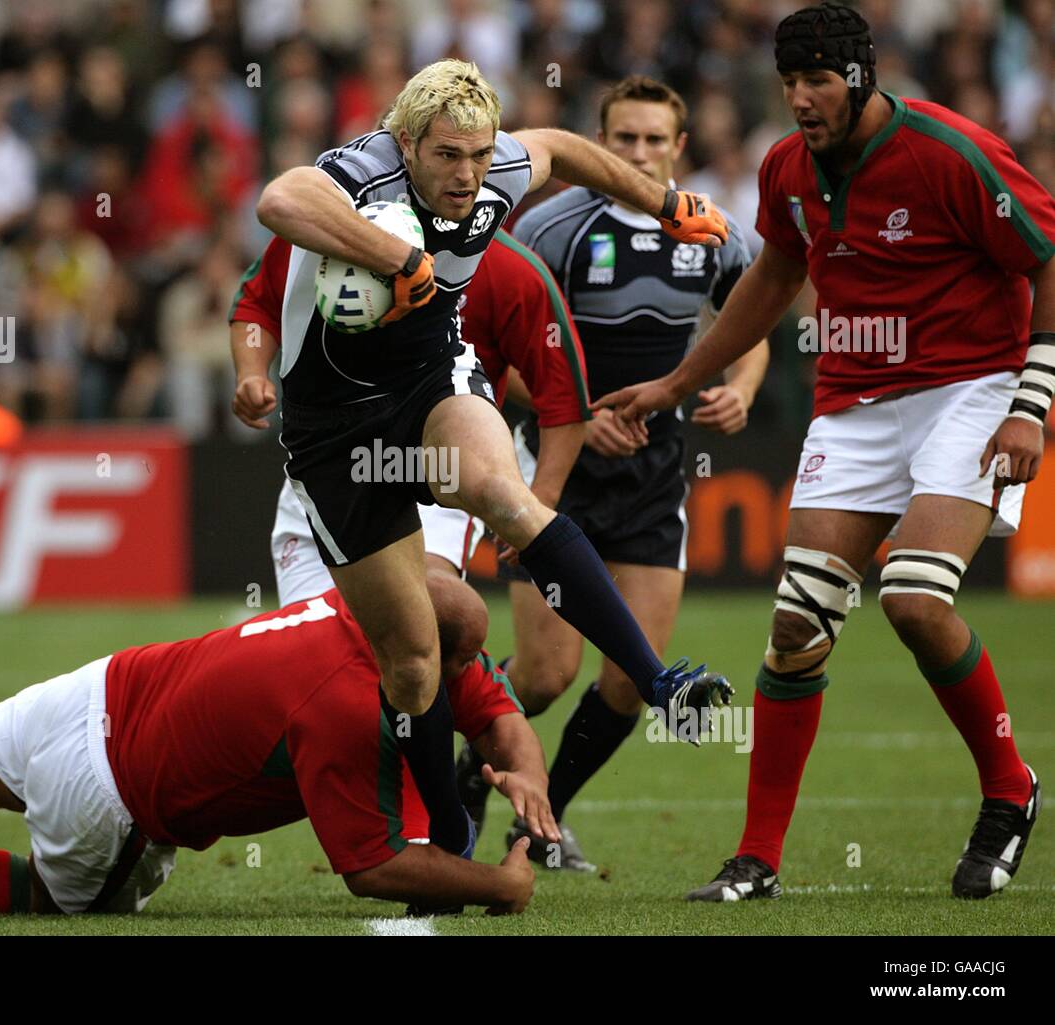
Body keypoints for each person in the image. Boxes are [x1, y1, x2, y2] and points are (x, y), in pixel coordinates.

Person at [595, 3, 1055, 901]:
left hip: (969, 388)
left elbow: (1046, 255)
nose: (803, 98)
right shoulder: (785, 166)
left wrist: (1031, 406)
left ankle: (1010, 789)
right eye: (791, 82)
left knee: (916, 600)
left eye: (820, 80)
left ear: (862, 75)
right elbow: (775, 274)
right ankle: (758, 860)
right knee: (798, 625)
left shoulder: (949, 150)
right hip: (854, 400)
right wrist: (676, 385)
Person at [254, 59, 733, 858]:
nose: (469, 174)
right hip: (334, 430)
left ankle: (659, 681)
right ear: (406, 143)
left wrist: (667, 204)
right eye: (447, 155)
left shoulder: (499, 165)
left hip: (431, 380)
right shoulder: (363, 169)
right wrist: (395, 256)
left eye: (479, 155)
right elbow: (279, 198)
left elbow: (563, 147)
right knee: (411, 663)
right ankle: (447, 829)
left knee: (502, 494)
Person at [0, 575, 545, 917]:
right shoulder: (338, 707)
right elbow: (372, 868)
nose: (471, 675)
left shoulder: (365, 604)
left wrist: (527, 772)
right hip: (114, 798)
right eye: (459, 659)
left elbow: (491, 705)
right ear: (418, 647)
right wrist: (498, 883)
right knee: (50, 896)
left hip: (104, 689)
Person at [459, 75, 770, 872]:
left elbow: (752, 319)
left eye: (652, 139)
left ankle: (542, 822)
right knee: (545, 673)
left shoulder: (714, 231)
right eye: (621, 139)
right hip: (556, 465)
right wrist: (575, 412)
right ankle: (459, 761)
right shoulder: (554, 223)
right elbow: (501, 345)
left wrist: (740, 388)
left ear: (679, 147)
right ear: (598, 147)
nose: (637, 152)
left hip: (656, 477)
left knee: (637, 682)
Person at [229, 228, 590, 614]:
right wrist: (251, 372)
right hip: (329, 458)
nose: (463, 175)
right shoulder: (328, 225)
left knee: (442, 614)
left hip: (439, 467)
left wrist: (536, 509)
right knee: (324, 643)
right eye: (448, 160)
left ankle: (486, 676)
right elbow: (258, 302)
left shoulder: (510, 268)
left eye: (475, 162)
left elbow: (563, 395)